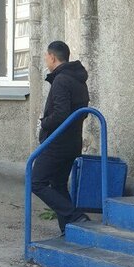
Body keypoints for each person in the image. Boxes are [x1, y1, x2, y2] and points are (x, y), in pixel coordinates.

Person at [32, 40, 91, 234]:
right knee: (58, 185)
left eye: (46, 57)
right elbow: (83, 112)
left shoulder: (61, 80)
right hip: (72, 142)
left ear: (53, 57)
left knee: (36, 182)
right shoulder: (78, 79)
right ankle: (69, 229)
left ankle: (74, 216)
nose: (46, 60)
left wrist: (44, 122)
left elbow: (61, 114)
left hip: (57, 143)